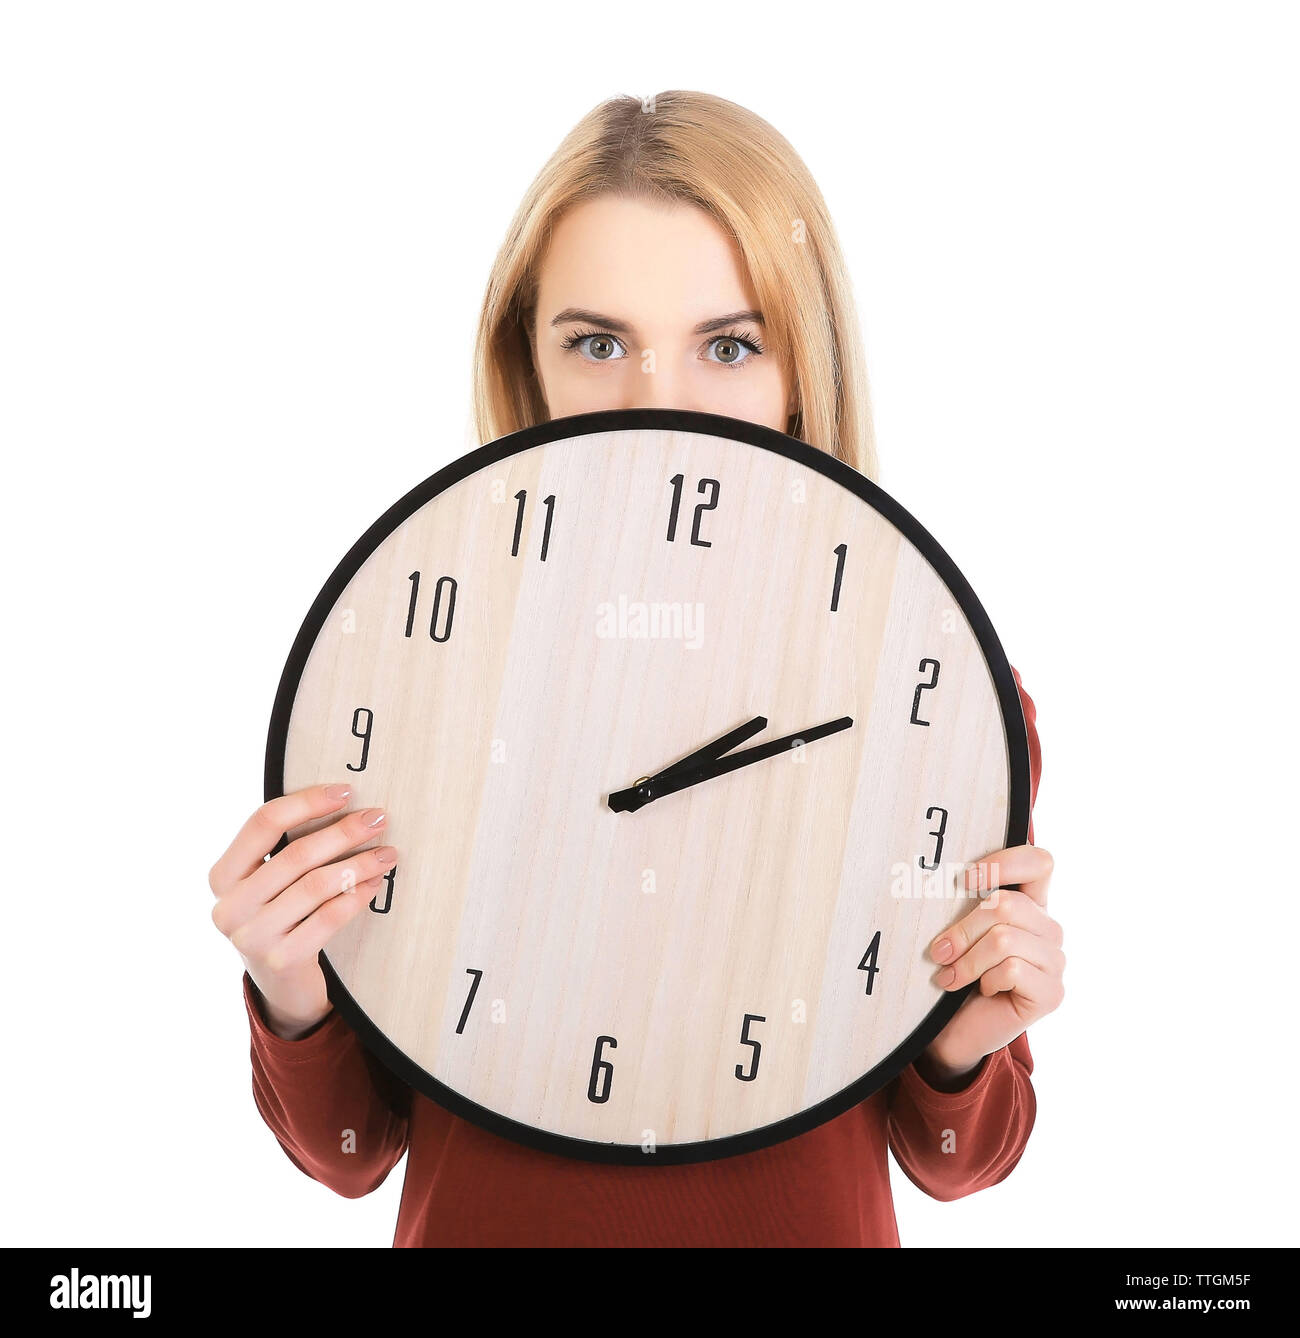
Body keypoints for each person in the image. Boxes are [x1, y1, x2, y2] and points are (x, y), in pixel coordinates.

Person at [209, 90, 1063, 1248]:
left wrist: (969, 1037)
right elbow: (350, 1155)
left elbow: (954, 1164)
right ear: (531, 360)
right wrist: (290, 983)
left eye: (728, 343)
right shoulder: (409, 666)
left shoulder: (938, 692)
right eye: (599, 343)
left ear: (800, 369)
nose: (658, 403)